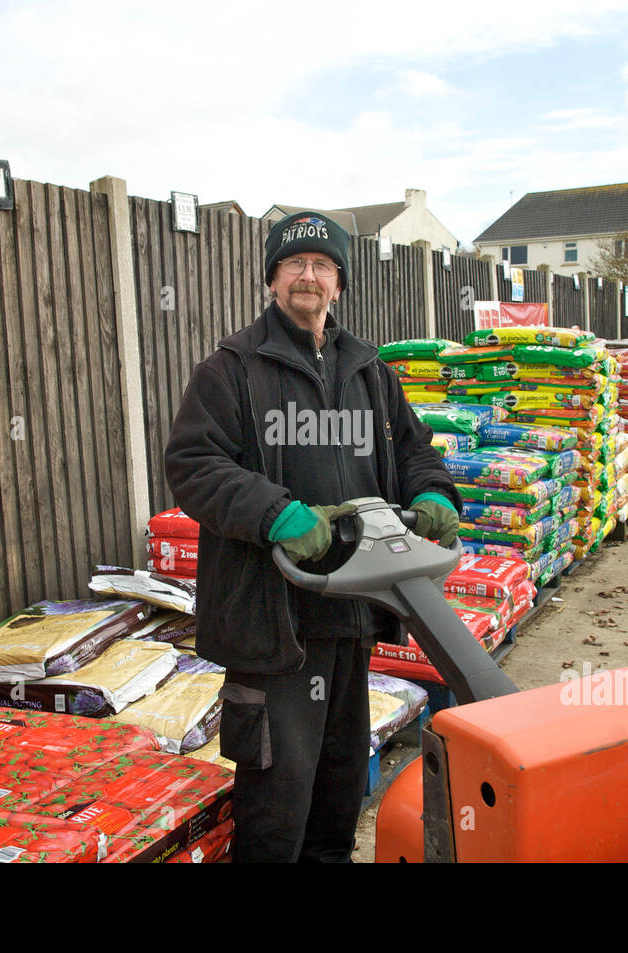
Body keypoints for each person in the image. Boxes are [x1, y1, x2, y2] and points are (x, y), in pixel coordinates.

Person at [164, 210, 461, 862]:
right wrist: (277, 513)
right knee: (277, 811)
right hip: (275, 627)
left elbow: (413, 452)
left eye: (321, 264)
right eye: (294, 264)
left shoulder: (368, 371)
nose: (308, 275)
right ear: (273, 279)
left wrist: (433, 492)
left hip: (351, 616)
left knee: (338, 797)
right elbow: (193, 464)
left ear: (339, 282)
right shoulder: (231, 369)